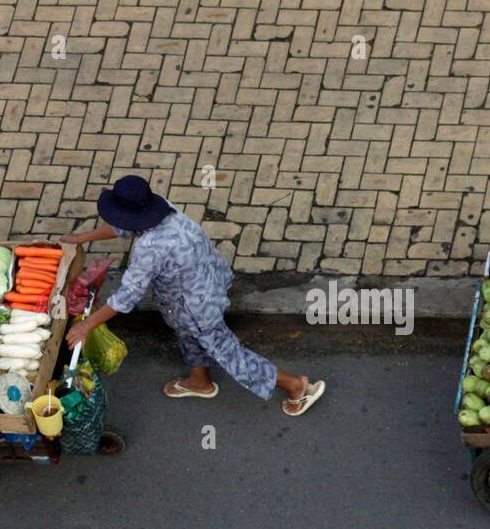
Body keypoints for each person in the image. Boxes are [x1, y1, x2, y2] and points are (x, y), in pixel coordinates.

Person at [60, 175, 326, 417]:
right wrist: (82, 238)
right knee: (187, 333)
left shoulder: (151, 249)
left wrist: (86, 325)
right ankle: (200, 382)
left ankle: (295, 386)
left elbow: (126, 297)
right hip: (200, 286)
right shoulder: (159, 207)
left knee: (230, 355)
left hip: (196, 306)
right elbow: (122, 227)